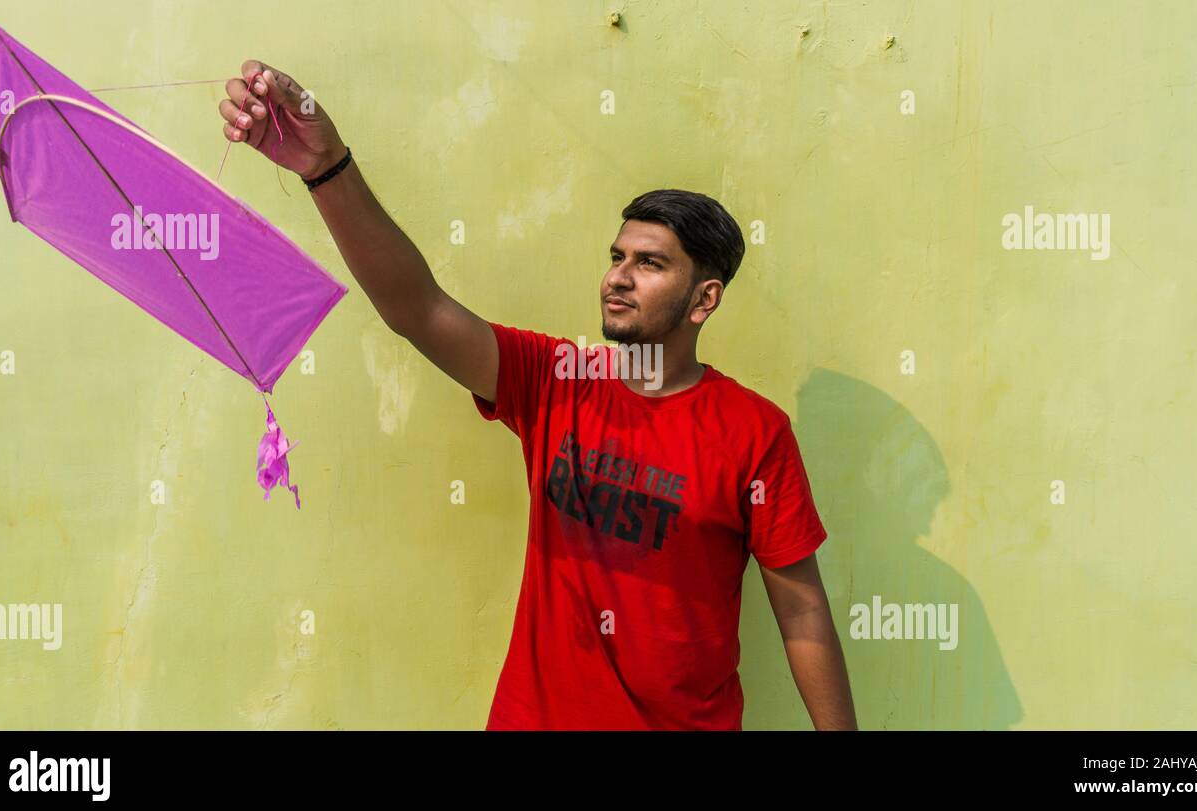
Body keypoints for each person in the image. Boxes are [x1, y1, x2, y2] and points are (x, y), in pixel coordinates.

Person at [218, 62, 858, 730]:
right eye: (618, 256)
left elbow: (803, 613)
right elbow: (416, 306)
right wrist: (326, 166)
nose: (619, 277)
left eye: (650, 263)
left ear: (705, 298)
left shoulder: (754, 432)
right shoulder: (556, 380)